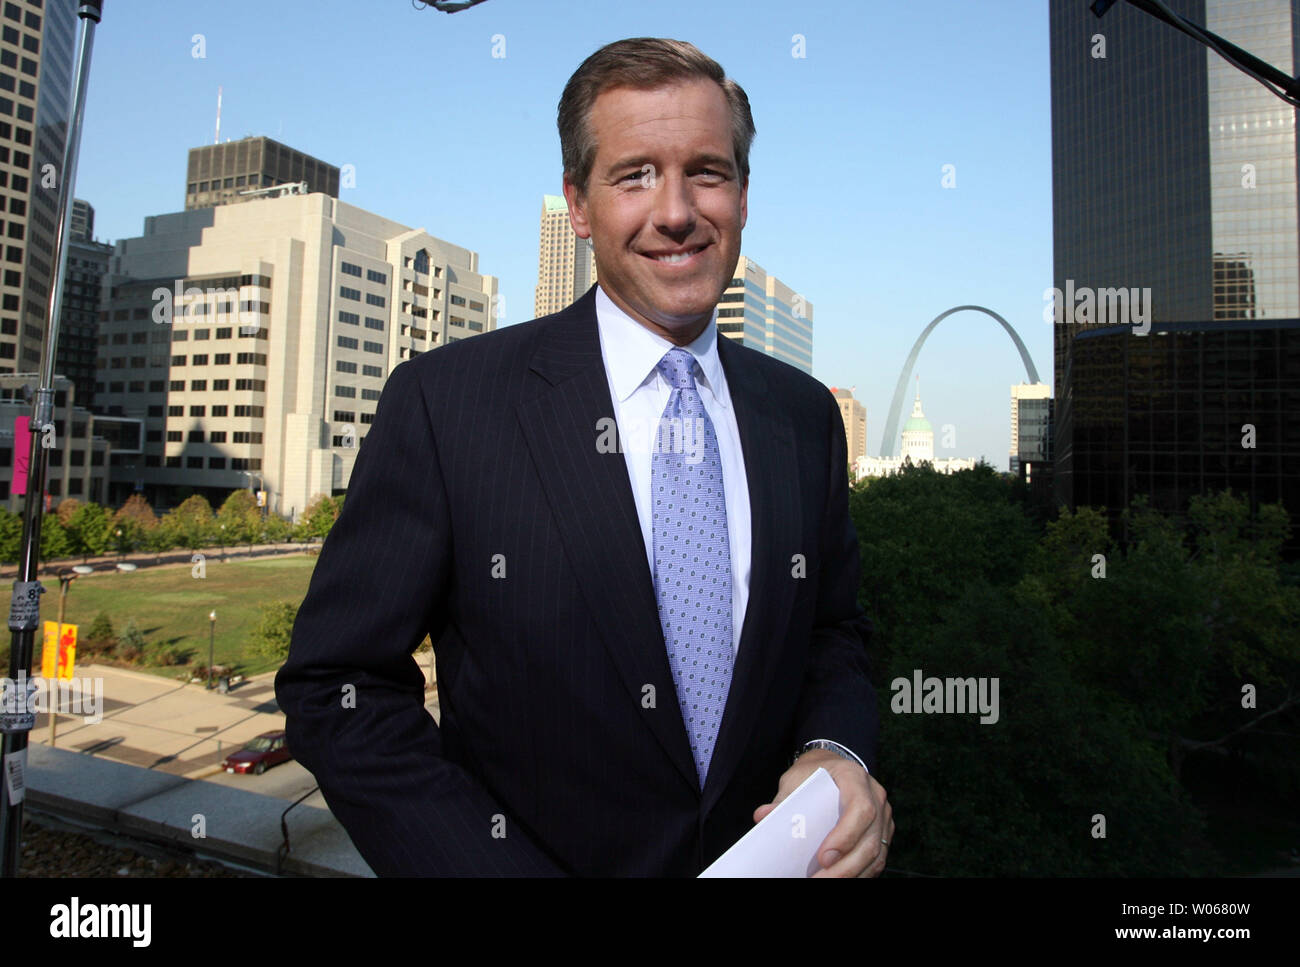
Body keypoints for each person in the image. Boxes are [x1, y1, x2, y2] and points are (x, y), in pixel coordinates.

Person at [274, 36, 893, 877]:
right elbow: (336, 687)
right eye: (634, 174)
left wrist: (835, 752)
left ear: (744, 194)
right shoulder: (449, 405)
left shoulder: (804, 417)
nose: (675, 211)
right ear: (577, 202)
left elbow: (834, 633)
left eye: (707, 171)